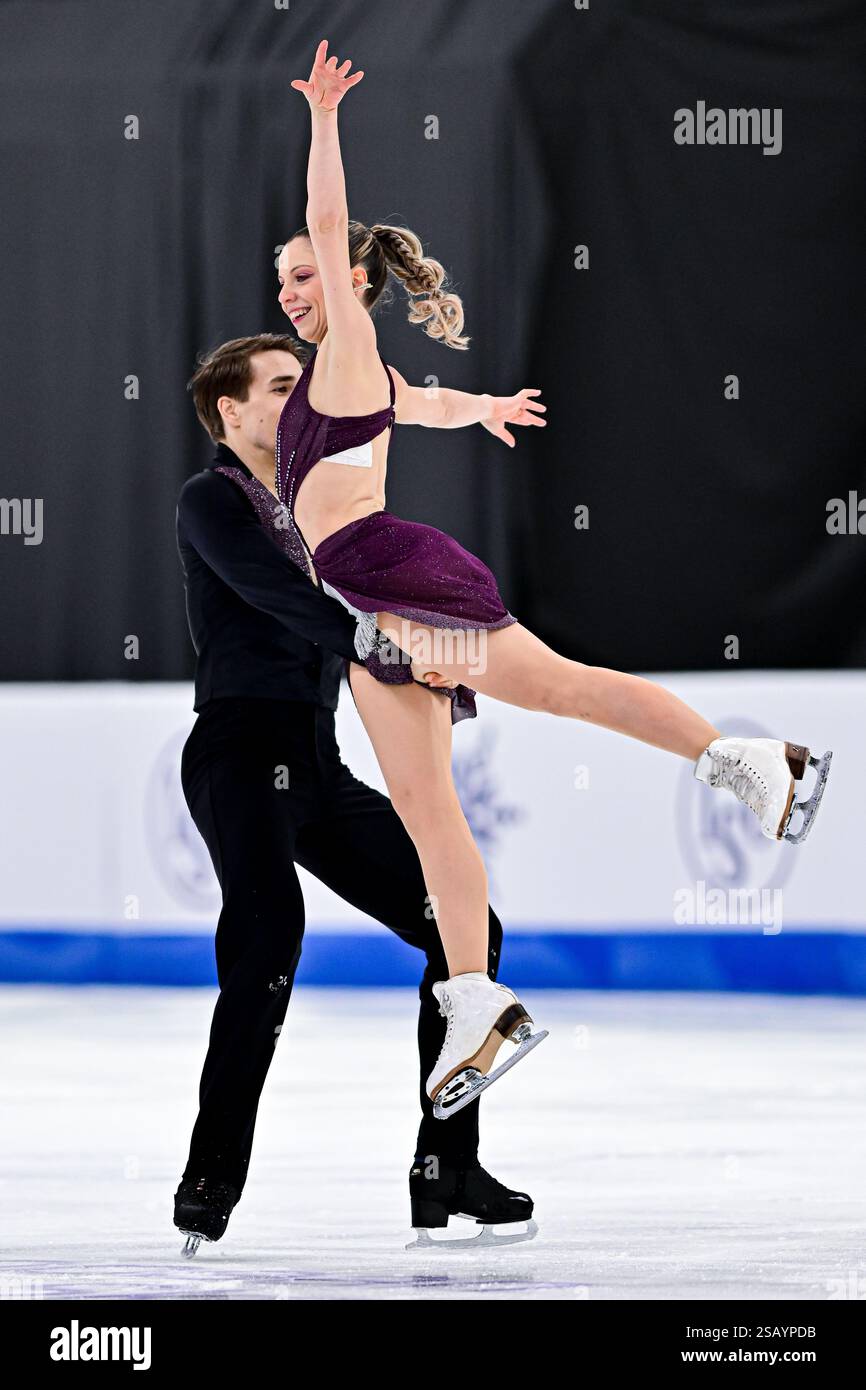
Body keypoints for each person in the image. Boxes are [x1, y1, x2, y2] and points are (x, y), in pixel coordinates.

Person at [265, 38, 833, 1120]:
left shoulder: (345, 343)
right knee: (428, 815)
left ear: (347, 284)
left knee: (564, 687)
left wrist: (324, 123)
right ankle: (476, 1004)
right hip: (365, 613)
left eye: (307, 275)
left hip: (396, 575)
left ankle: (755, 762)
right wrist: (479, 409)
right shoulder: (354, 380)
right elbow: (416, 405)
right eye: (282, 279)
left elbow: (332, 227)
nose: (293, 290)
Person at [173, 333, 533, 1254]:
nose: (299, 402)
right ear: (232, 412)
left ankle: (445, 1167)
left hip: (315, 762)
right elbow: (275, 595)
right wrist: (376, 644)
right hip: (238, 753)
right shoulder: (212, 499)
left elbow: (381, 586)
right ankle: (212, 1176)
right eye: (281, 387)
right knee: (267, 939)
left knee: (465, 930)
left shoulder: (316, 499)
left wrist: (436, 654)